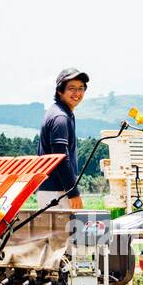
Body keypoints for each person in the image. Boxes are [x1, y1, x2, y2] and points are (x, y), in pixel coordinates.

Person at [35, 68, 89, 209]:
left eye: (81, 88)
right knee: (71, 231)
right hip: (57, 192)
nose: (77, 93)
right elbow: (60, 159)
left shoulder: (60, 112)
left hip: (53, 190)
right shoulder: (60, 118)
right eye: (71, 88)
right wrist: (73, 193)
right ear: (60, 91)